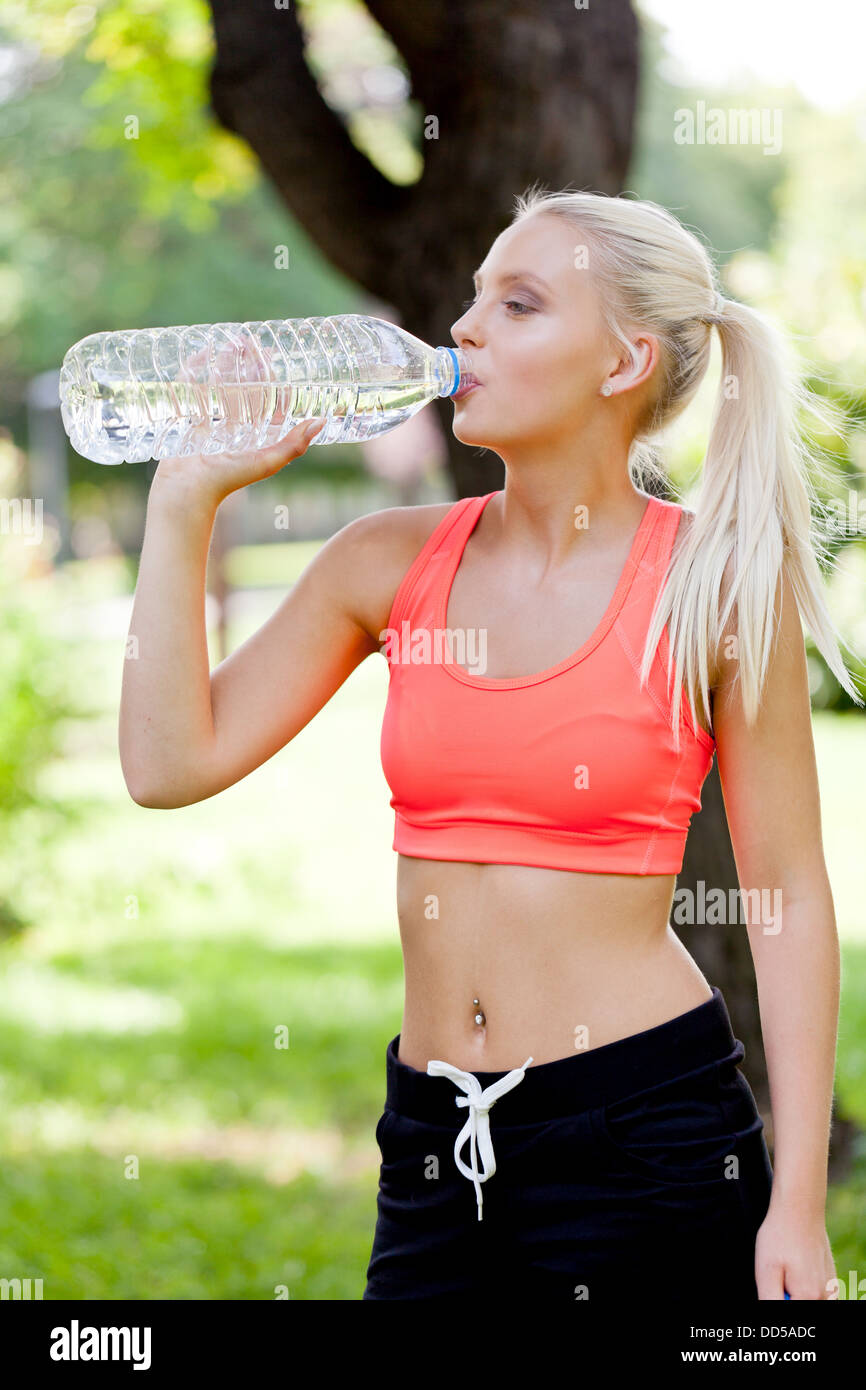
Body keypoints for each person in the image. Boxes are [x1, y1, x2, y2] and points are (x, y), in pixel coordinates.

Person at [119, 186, 859, 1303]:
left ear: (622, 362)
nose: (462, 328)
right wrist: (183, 500)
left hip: (643, 1136)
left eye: (518, 304)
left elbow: (787, 895)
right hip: (430, 1138)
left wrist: (794, 1201)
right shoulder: (385, 561)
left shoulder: (711, 586)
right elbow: (167, 764)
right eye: (473, 298)